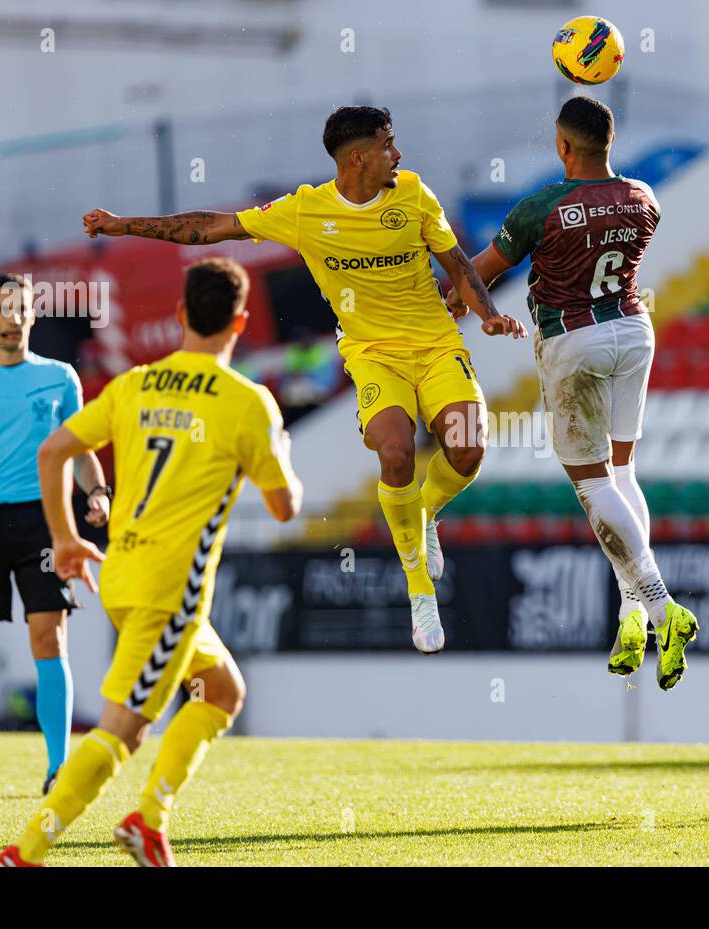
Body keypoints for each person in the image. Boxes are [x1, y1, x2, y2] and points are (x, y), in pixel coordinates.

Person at [80, 105, 525, 655]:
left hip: (436, 346)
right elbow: (210, 228)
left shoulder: (413, 195)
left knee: (467, 449)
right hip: (371, 355)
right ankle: (419, 591)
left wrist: (487, 315)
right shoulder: (304, 210)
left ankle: (426, 512)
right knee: (394, 454)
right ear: (358, 157)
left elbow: (456, 263)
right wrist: (125, 225)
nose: (399, 154)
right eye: (389, 144)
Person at [0, 257, 303, 867]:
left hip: (122, 572)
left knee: (220, 690)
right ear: (241, 322)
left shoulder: (135, 385)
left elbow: (55, 450)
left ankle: (149, 820)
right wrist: (281, 453)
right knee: (122, 732)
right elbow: (284, 507)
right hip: (171, 593)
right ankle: (23, 855)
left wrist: (63, 537)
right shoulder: (249, 403)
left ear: (182, 313)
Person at [445, 96, 699, 690]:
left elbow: (480, 272)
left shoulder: (541, 206)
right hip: (634, 331)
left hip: (572, 340)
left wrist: (446, 296)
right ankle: (630, 612)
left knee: (591, 484)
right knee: (622, 471)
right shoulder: (645, 198)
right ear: (610, 142)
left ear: (563, 146)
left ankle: (662, 607)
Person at [0, 273, 111, 795]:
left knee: (49, 639)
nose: (13, 317)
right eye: (3, 309)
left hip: (45, 522)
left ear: (32, 316)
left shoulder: (60, 378)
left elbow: (79, 452)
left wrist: (97, 494)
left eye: (22, 308)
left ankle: (58, 769)